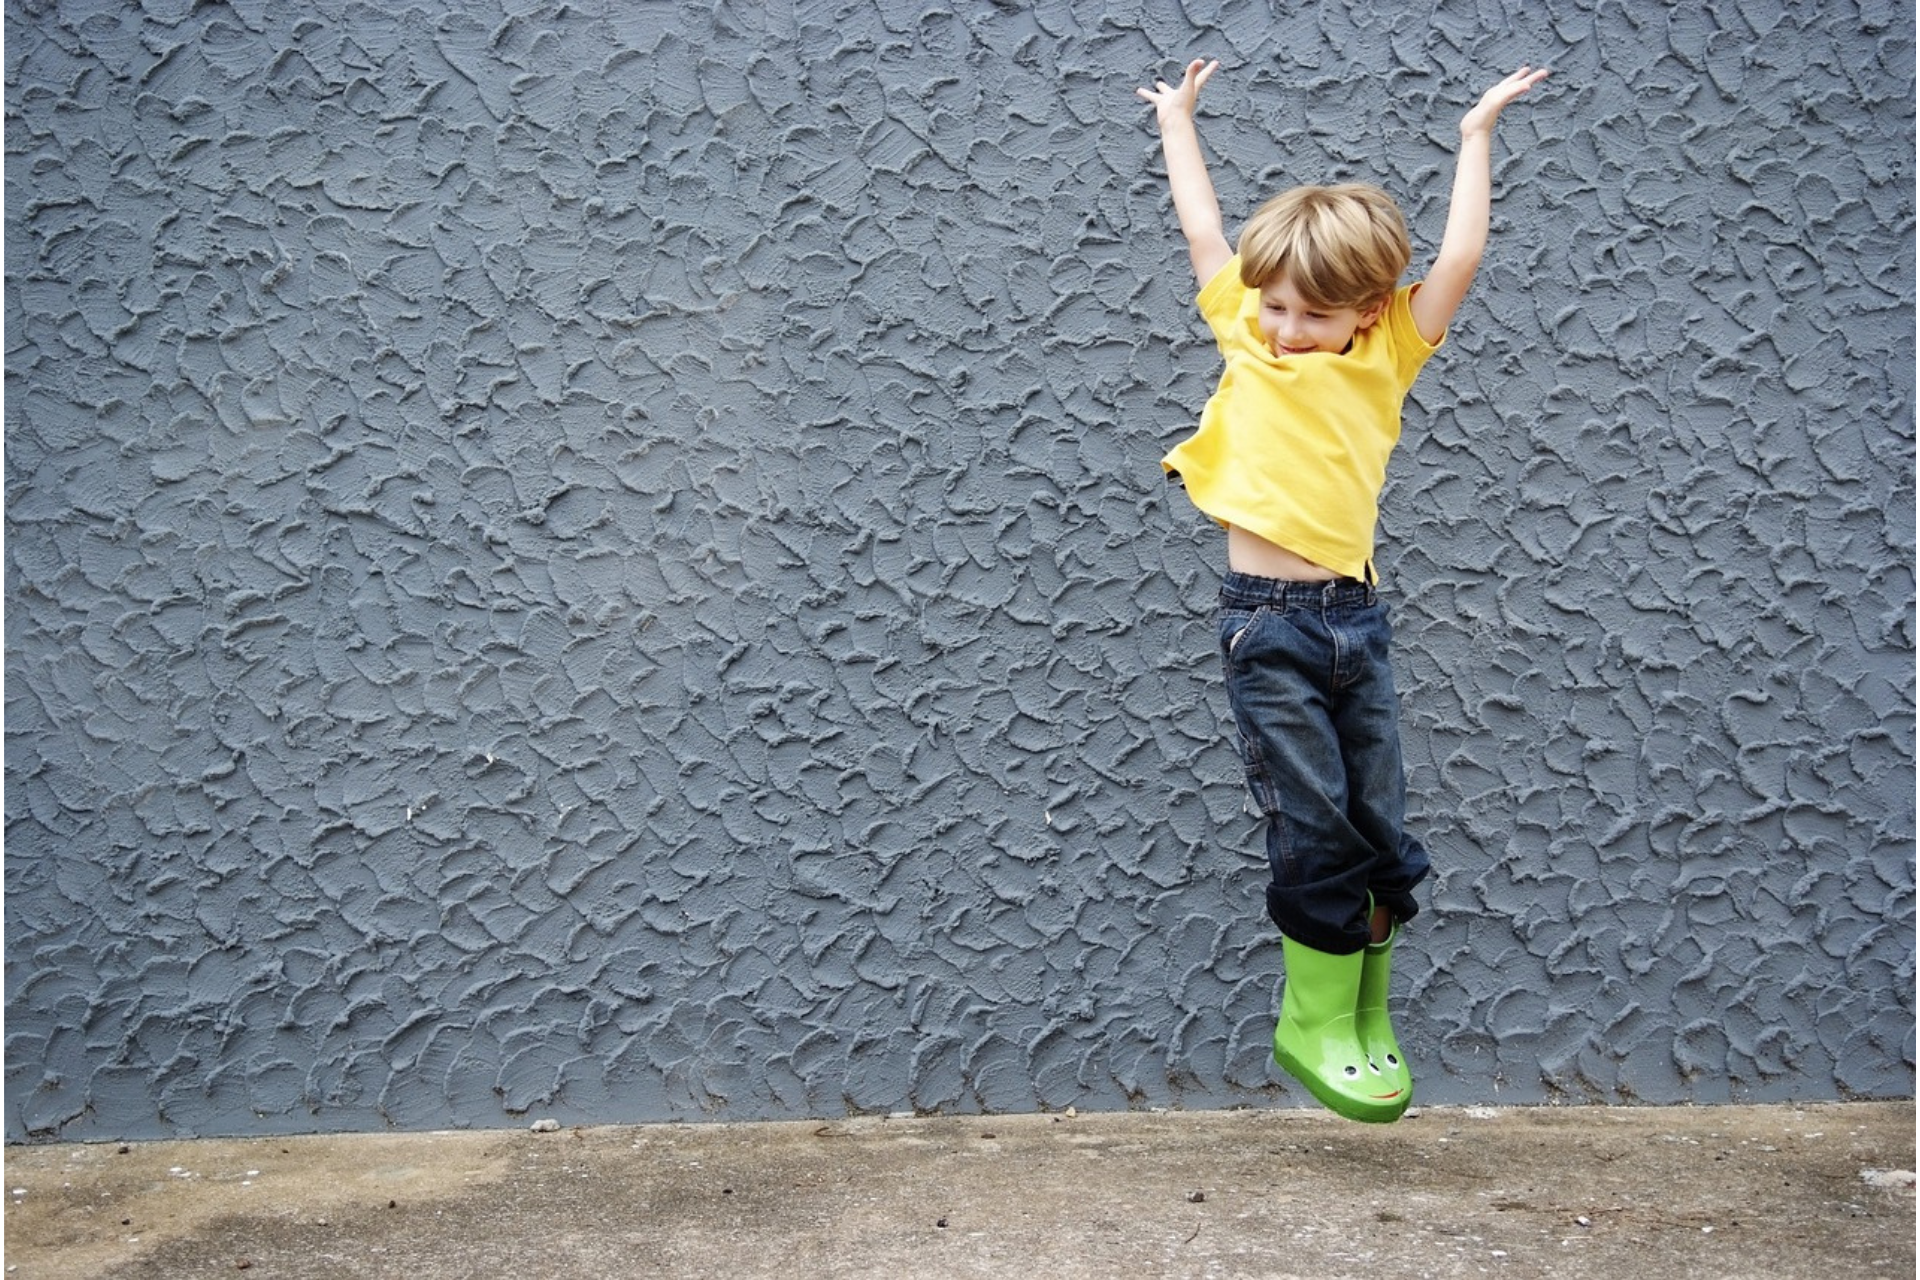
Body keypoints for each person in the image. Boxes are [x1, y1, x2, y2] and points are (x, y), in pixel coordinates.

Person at [1136, 59, 1548, 1122]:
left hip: (1355, 623)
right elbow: (1202, 233)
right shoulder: (1248, 333)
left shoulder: (1389, 351)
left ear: (1368, 310)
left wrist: (1474, 138)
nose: (1280, 328)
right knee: (1312, 826)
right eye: (1272, 306)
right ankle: (1311, 1018)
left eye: (1309, 315)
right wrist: (1180, 122)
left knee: (1381, 830)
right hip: (1267, 628)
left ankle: (1368, 1012)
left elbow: (1458, 256)